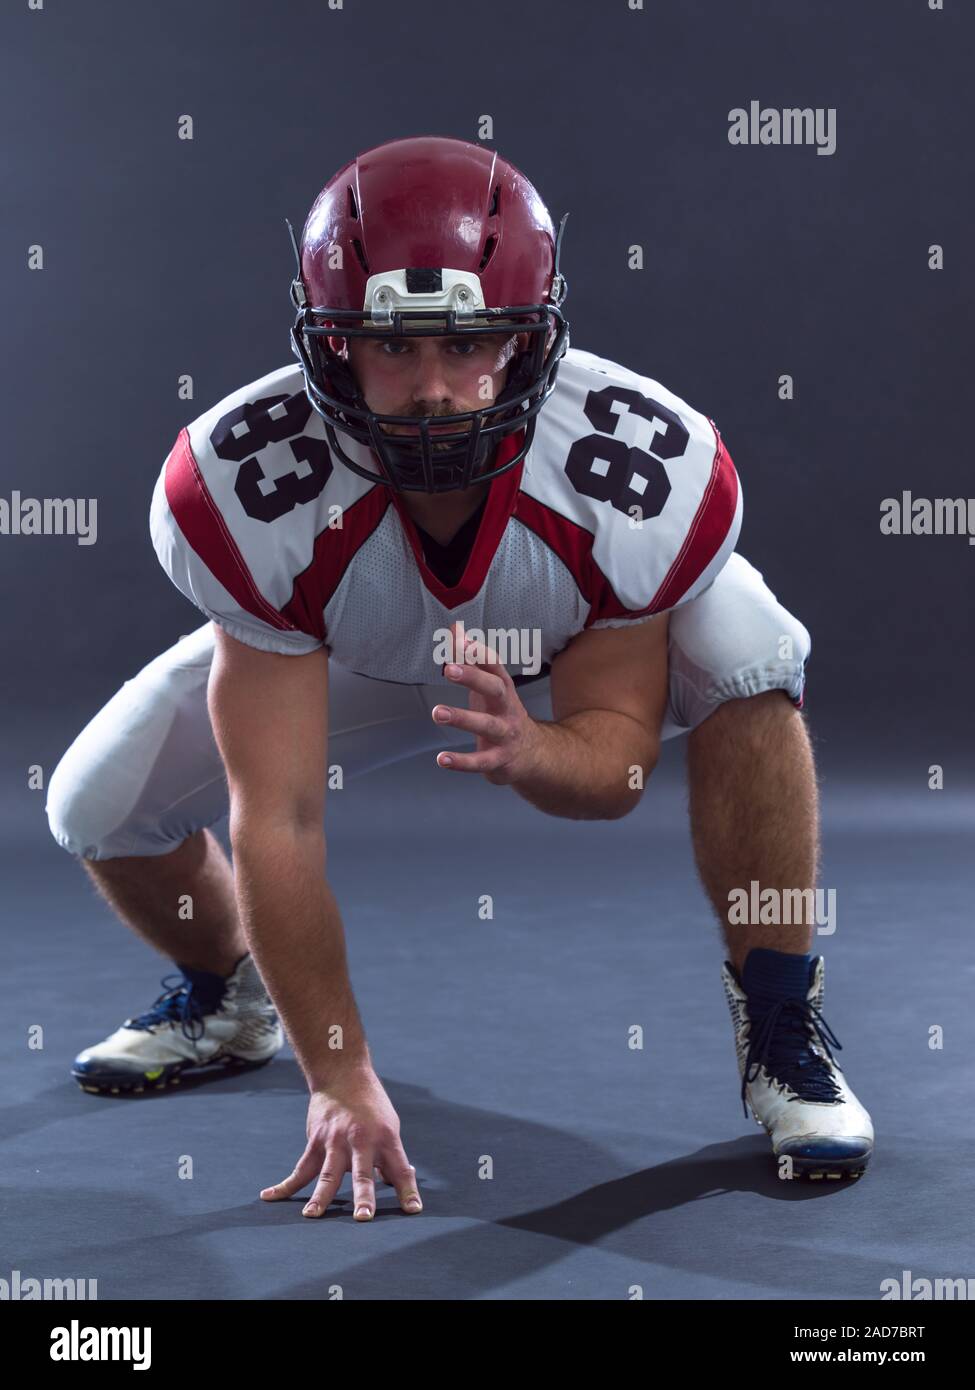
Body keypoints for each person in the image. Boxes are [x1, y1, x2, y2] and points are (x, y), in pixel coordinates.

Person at [46, 134, 873, 1220]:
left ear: (526, 341)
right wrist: (338, 1073)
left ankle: (781, 1025)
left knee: (753, 643)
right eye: (394, 349)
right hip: (359, 650)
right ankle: (233, 996)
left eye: (468, 340)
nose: (435, 389)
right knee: (92, 802)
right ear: (331, 349)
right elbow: (280, 818)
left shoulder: (631, 473)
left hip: (570, 647)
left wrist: (535, 752)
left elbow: (617, 762)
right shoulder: (249, 487)